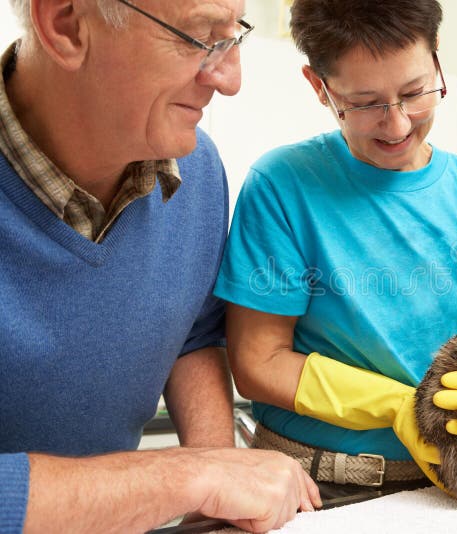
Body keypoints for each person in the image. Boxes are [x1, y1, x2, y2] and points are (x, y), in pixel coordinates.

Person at [213, 0, 457, 501]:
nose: (397, 126)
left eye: (416, 93)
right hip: (310, 482)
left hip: (448, 483)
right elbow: (257, 363)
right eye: (366, 102)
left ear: (436, 57)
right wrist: (399, 406)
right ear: (319, 87)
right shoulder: (283, 186)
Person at [0, 1, 320, 532]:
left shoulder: (196, 172)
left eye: (232, 35)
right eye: (198, 37)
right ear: (66, 25)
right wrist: (182, 477)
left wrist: (220, 483)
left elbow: (190, 332)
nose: (230, 79)